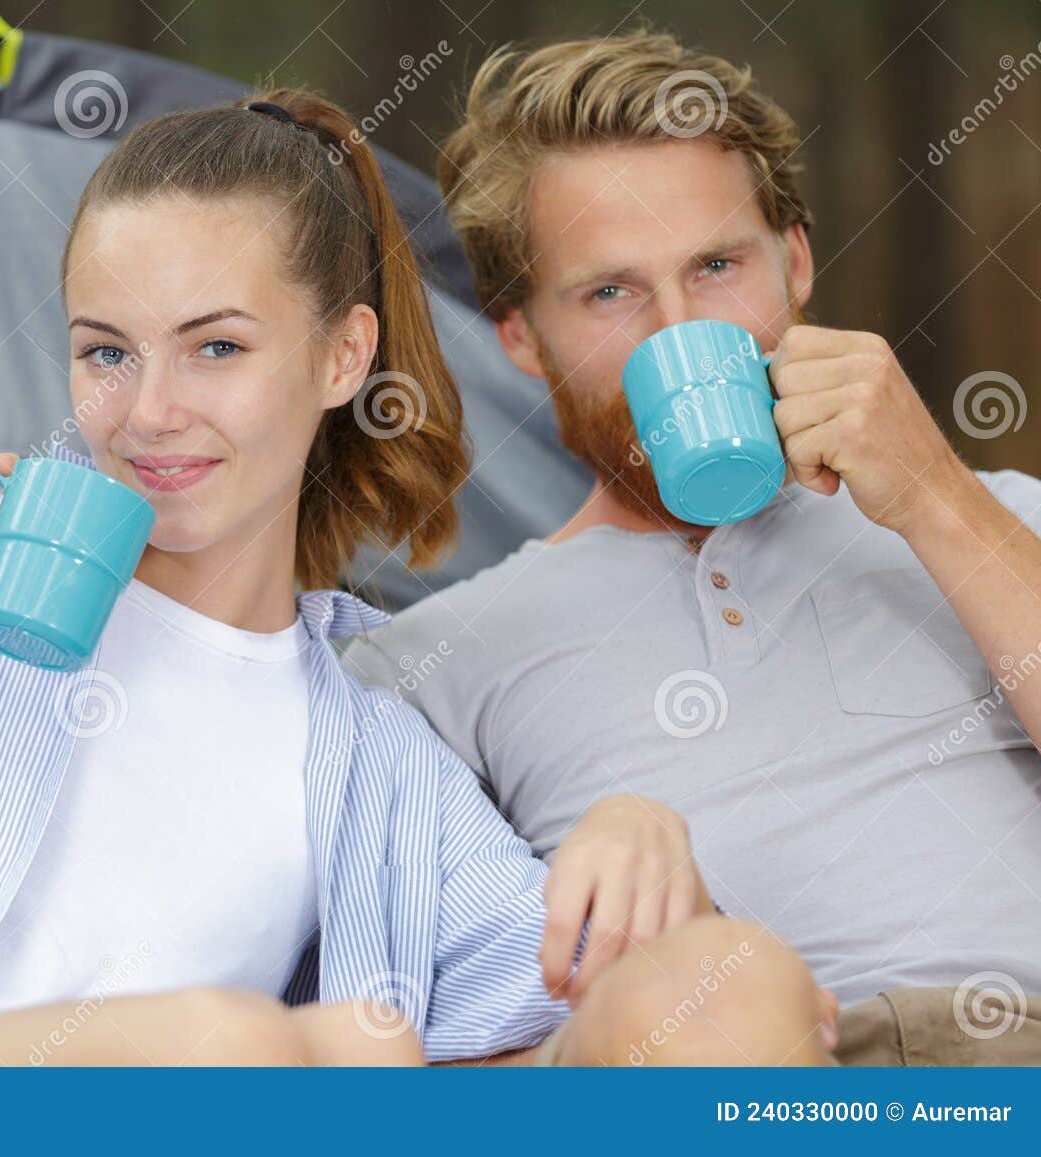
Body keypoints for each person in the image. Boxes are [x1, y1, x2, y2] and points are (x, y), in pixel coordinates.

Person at [0, 88, 831, 1067]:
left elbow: (606, 1001)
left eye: (215, 347)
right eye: (106, 352)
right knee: (257, 1044)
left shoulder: (375, 760)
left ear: (342, 357)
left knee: (407, 1032)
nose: (148, 411)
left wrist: (634, 830)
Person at [343, 31, 1041, 1065]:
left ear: (793, 263)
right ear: (520, 336)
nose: (677, 330)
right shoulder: (427, 665)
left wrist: (935, 499)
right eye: (610, 292)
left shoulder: (996, 518)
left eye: (716, 266)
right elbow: (410, 1043)